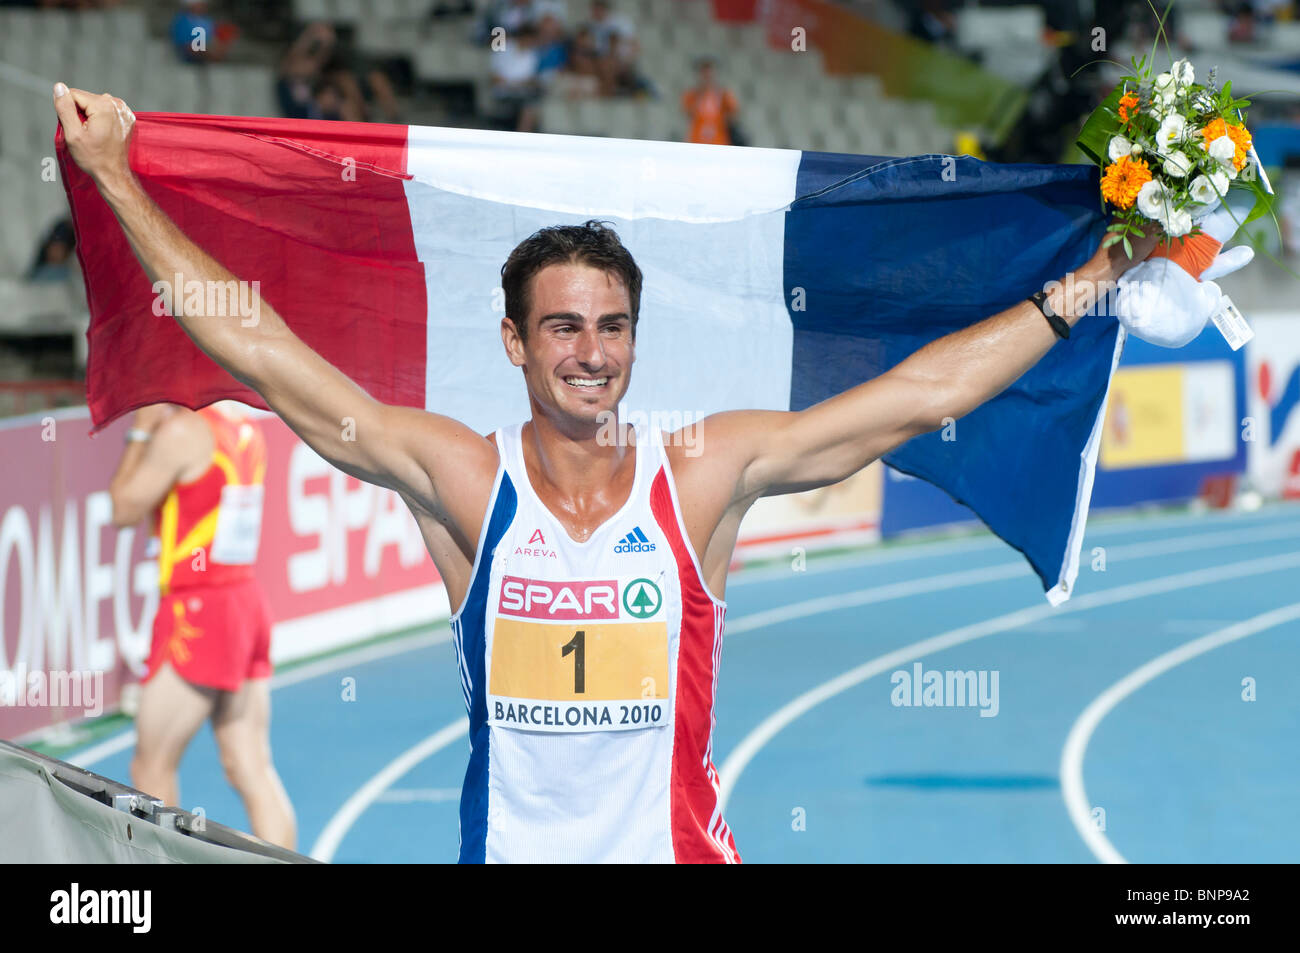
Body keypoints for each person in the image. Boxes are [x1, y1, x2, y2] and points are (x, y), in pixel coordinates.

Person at [56, 83, 1158, 863]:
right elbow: (263, 352)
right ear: (514, 341)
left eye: (613, 326)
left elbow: (919, 397)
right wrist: (115, 179)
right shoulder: (464, 479)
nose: (591, 353)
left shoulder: (701, 473)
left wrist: (1106, 268)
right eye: (564, 327)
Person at [107, 399, 295, 850]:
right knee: (249, 765)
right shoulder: (243, 425)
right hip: (243, 599)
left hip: (198, 612)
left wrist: (140, 432)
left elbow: (122, 509)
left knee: (151, 767)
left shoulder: (182, 432)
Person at [682, 58, 738, 145]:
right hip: (697, 141)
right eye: (704, 74)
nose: (707, 77)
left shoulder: (724, 95)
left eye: (709, 74)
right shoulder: (692, 95)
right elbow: (687, 113)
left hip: (718, 142)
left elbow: (734, 113)